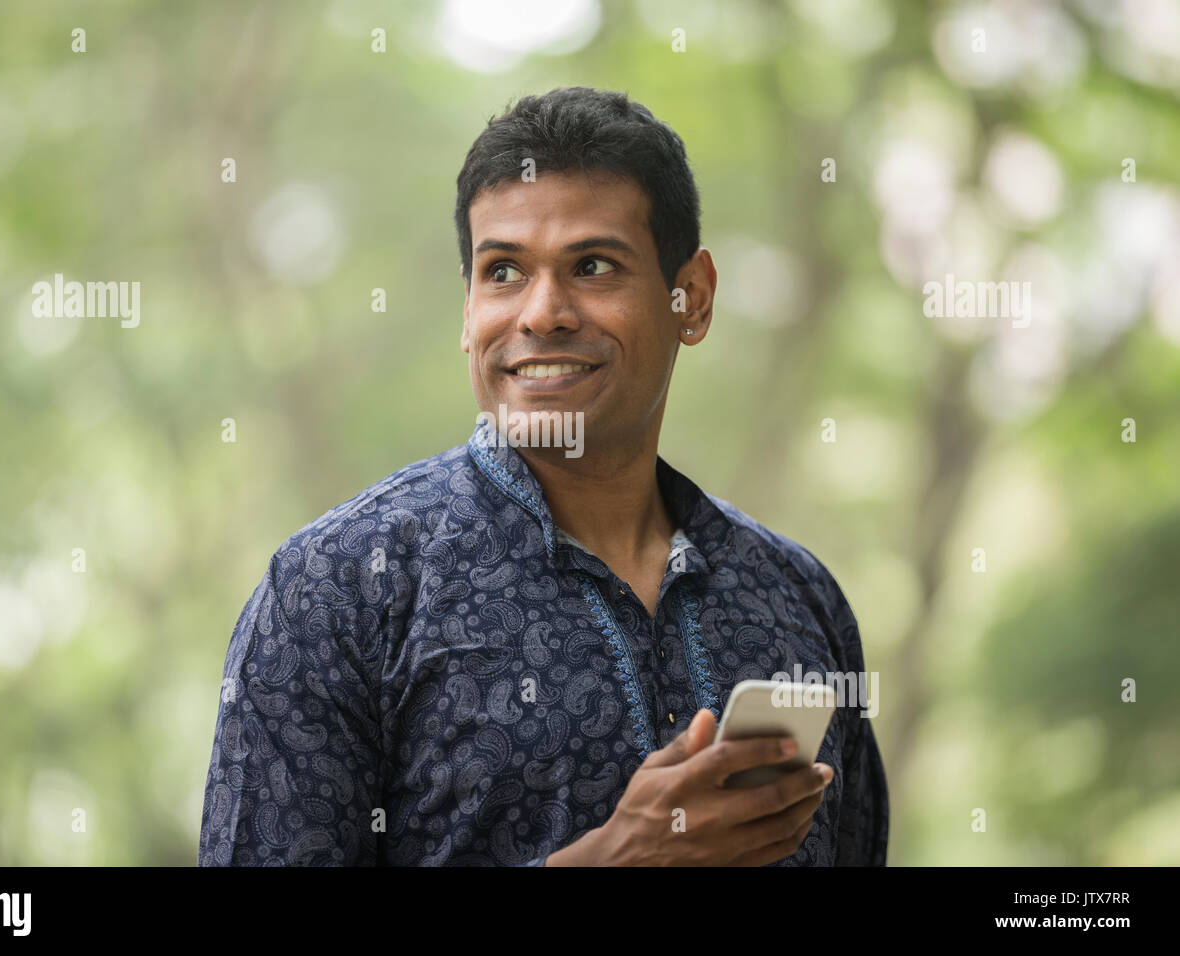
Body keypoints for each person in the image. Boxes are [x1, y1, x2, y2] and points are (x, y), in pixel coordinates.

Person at [197, 86, 889, 866]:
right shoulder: (334, 594)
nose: (542, 313)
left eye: (592, 266)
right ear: (467, 312)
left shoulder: (797, 599)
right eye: (503, 272)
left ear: (689, 298)